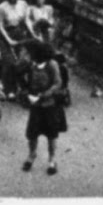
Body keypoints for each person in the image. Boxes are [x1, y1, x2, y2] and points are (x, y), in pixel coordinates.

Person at [21, 40, 68, 175]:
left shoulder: (51, 64)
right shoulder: (31, 65)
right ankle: (32, 155)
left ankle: (52, 159)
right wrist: (26, 93)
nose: (26, 55)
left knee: (51, 135)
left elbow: (58, 83)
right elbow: (20, 77)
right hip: (35, 105)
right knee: (32, 134)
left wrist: (41, 96)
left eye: (28, 53)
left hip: (50, 105)